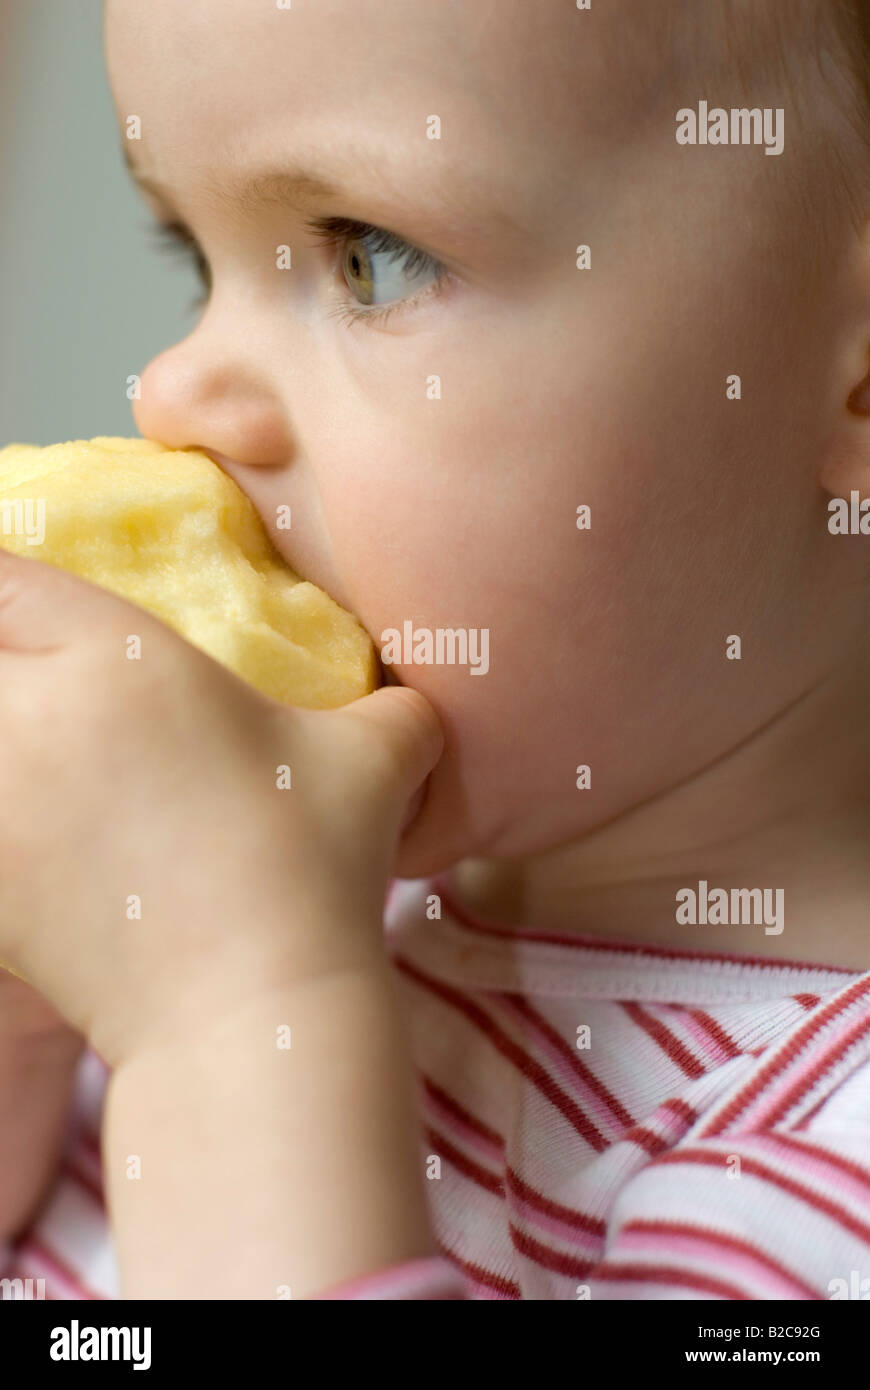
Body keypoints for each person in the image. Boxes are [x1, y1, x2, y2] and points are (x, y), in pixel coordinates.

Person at [1, 0, 870, 1299]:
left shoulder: (813, 1176)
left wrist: (232, 1023)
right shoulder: (286, 864)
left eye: (371, 259)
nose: (170, 392)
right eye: (194, 252)